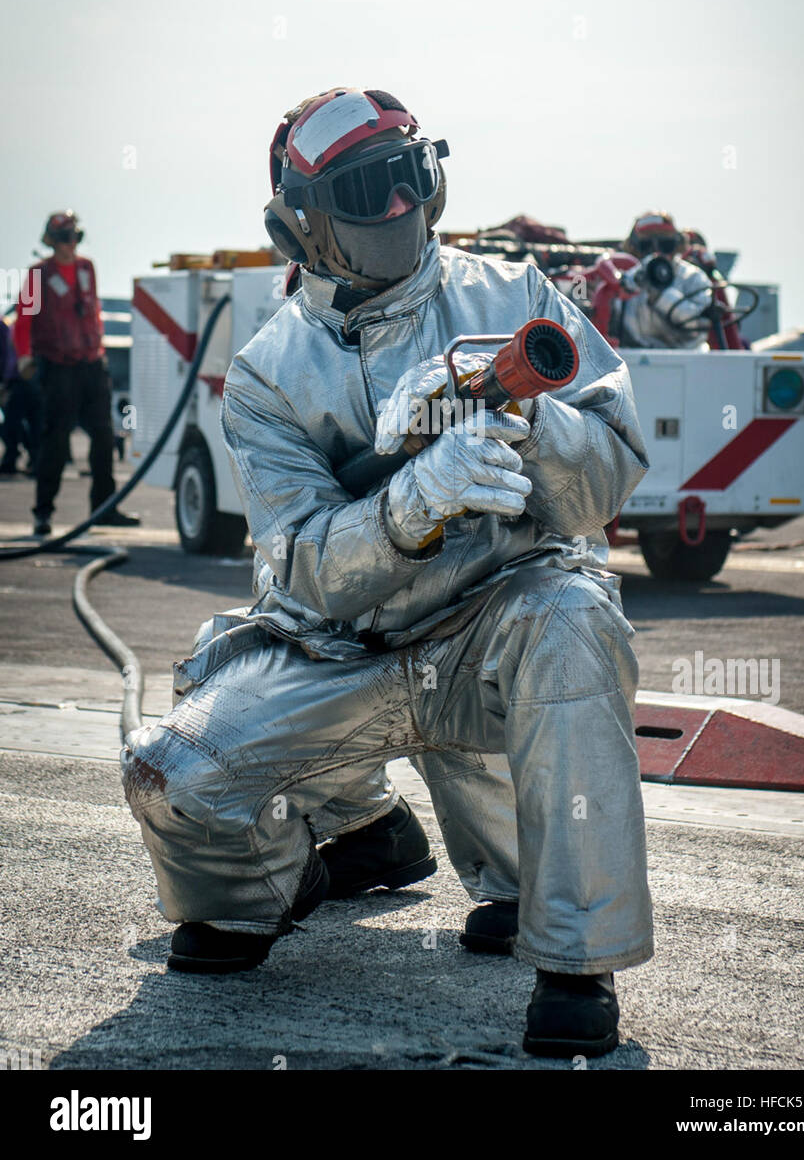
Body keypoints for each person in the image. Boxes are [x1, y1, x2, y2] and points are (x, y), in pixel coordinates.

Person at [122, 88, 654, 1058]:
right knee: (171, 772)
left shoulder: (515, 298)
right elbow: (306, 572)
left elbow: (607, 478)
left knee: (576, 611)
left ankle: (574, 955)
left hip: (496, 636)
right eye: (373, 189)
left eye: (413, 177)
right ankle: (283, 881)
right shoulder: (269, 371)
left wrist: (537, 426)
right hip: (342, 653)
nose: (402, 208)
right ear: (305, 218)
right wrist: (414, 502)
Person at [14, 211, 139, 535]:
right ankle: (43, 513)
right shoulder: (38, 276)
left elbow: (92, 308)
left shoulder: (87, 268)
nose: (72, 244)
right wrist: (24, 356)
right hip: (58, 367)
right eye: (66, 238)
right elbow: (23, 320)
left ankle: (104, 508)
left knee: (103, 436)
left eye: (75, 238)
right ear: (53, 241)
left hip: (91, 363)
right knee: (55, 440)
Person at [617, 211, 713, 349]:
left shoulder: (693, 277)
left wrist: (660, 294)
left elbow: (697, 325)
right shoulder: (627, 279)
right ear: (635, 247)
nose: (656, 252)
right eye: (647, 246)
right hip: (636, 361)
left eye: (665, 244)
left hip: (689, 360)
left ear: (677, 244)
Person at [0, 317, 42, 476]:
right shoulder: (12, 328)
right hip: (20, 380)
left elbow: (5, 357)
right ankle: (32, 459)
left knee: (15, 422)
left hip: (22, 380)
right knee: (27, 423)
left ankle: (17, 459)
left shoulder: (14, 329)